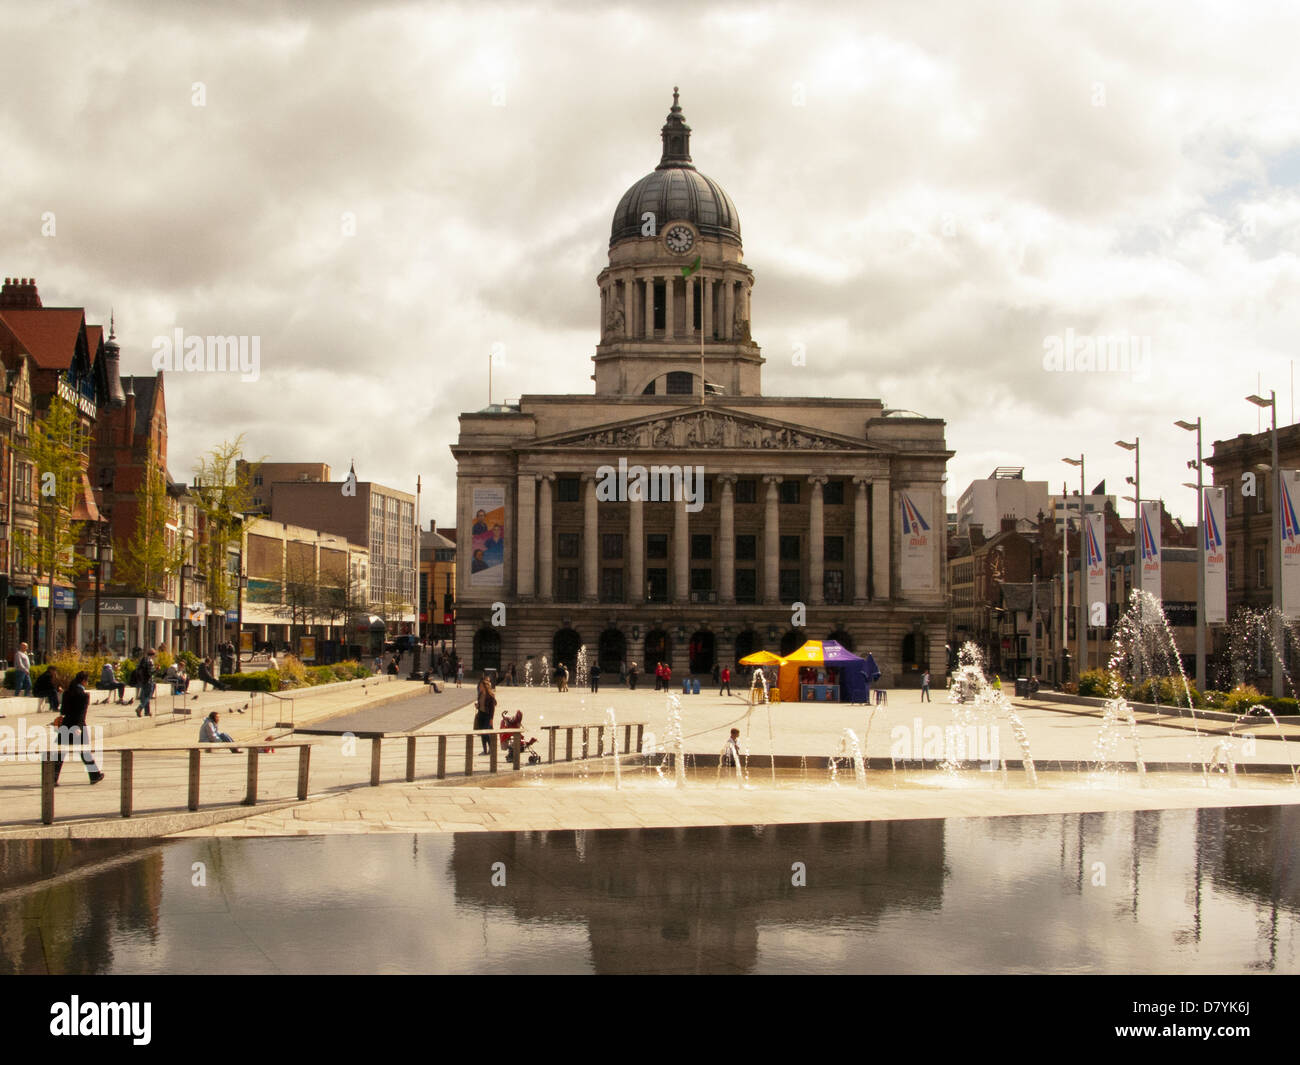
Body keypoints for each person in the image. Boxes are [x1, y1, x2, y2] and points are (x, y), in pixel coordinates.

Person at [52, 672, 104, 785]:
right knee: (85, 752)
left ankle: (52, 778)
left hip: (66, 725)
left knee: (60, 754)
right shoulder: (84, 695)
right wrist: (79, 727)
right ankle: (94, 775)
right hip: (78, 726)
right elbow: (81, 714)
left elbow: (63, 711)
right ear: (83, 681)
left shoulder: (67, 693)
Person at [473, 677, 496, 755]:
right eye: (479, 686)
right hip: (481, 714)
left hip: (487, 715)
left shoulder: (490, 696)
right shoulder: (480, 694)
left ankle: (491, 748)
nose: (479, 687)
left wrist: (491, 719)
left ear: (485, 686)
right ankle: (484, 750)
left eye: (481, 686)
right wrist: (477, 706)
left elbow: (492, 709)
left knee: (486, 732)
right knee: (482, 733)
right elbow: (480, 705)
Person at [136, 650, 157, 717]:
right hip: (149, 681)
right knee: (148, 696)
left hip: (143, 681)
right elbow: (150, 672)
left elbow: (138, 670)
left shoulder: (143, 660)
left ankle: (147, 712)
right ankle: (140, 707)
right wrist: (157, 669)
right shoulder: (150, 661)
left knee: (144, 697)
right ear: (153, 655)